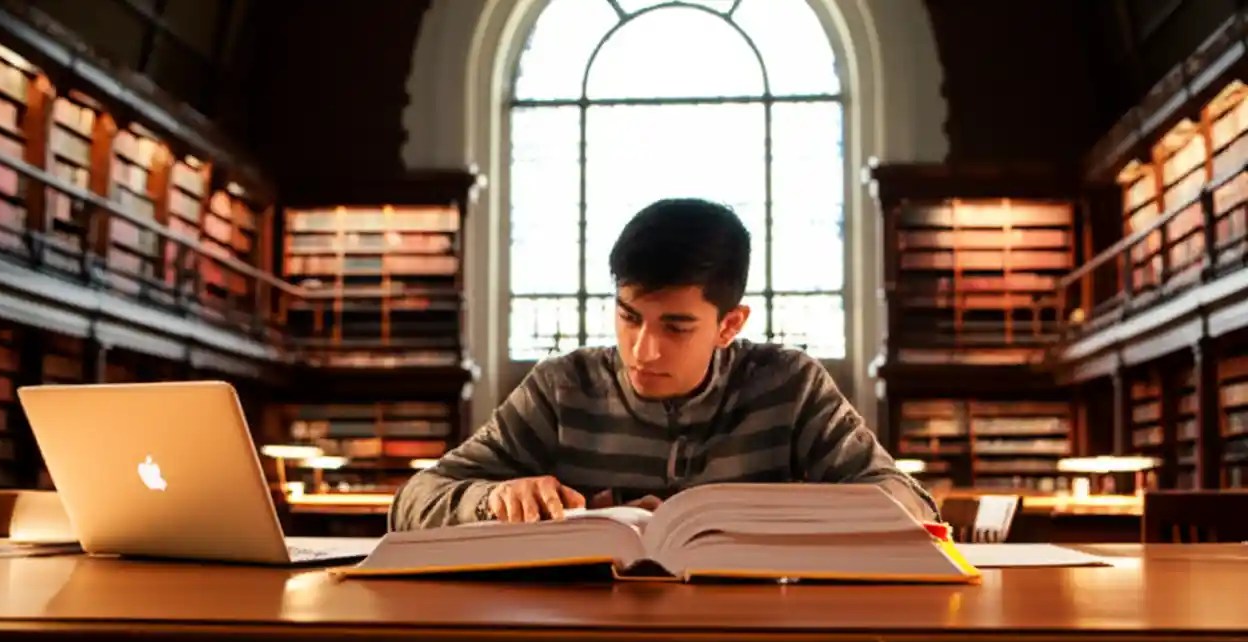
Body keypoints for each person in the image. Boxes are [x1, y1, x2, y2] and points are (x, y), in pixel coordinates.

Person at [388, 198, 938, 531]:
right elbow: (413, 502)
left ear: (730, 324)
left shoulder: (788, 385)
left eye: (676, 327)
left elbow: (911, 506)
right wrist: (491, 499)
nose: (642, 350)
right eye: (629, 317)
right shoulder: (561, 388)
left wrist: (756, 514)